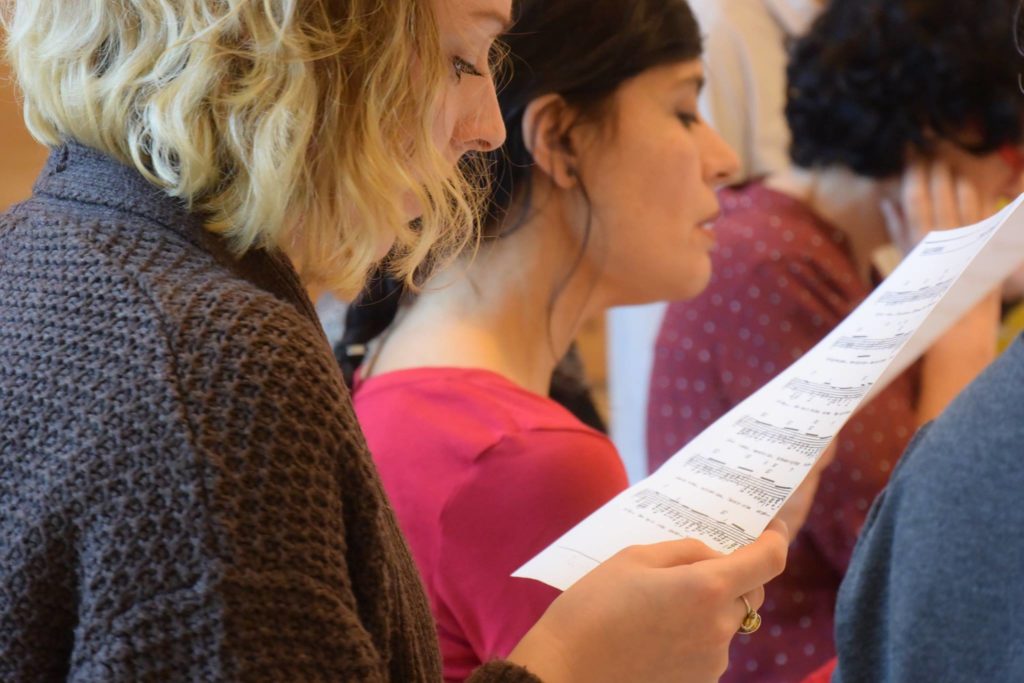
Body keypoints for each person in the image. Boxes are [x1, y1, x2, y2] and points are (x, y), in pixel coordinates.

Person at [0, 0, 791, 681]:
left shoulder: (46, 251)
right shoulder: (218, 364)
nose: (487, 127)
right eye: (458, 61)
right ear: (303, 48)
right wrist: (568, 666)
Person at [340, 1, 811, 680]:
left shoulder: (406, 357)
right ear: (559, 139)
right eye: (683, 111)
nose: (724, 159)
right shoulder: (529, 459)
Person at [646, 0, 1024, 680]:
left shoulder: (804, 246)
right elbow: (916, 547)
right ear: (948, 127)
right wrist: (961, 317)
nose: (1013, 181)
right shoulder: (774, 267)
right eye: (1009, 148)